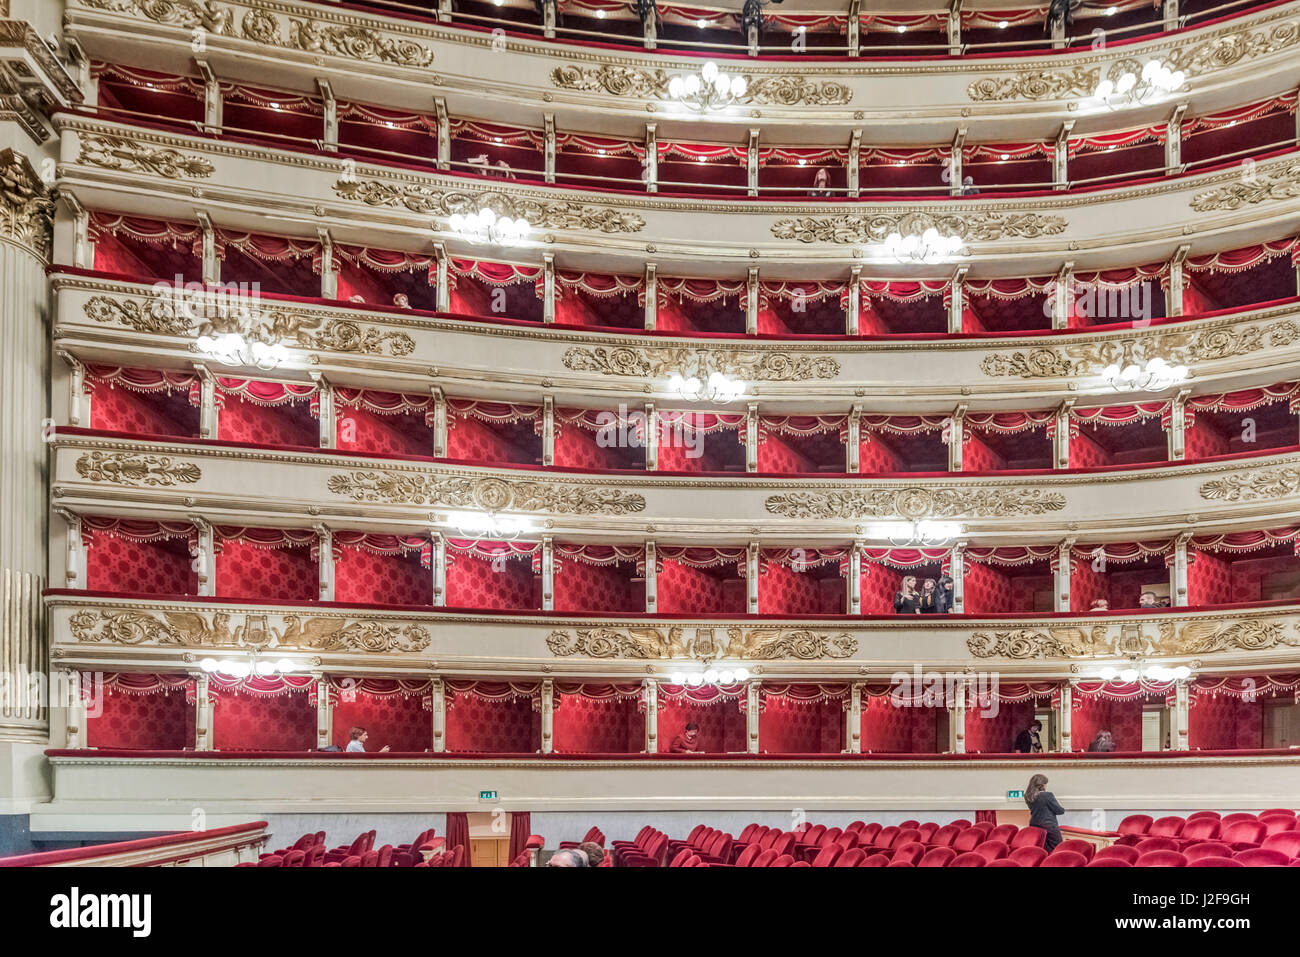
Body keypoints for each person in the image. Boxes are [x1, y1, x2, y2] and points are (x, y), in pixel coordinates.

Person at [1024, 773, 1066, 852]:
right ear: (1042, 785)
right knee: (1057, 849)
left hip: (1034, 825)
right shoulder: (1047, 795)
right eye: (1046, 784)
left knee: (1041, 848)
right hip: (1049, 826)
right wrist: (1062, 809)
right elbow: (1059, 811)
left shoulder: (1027, 796)